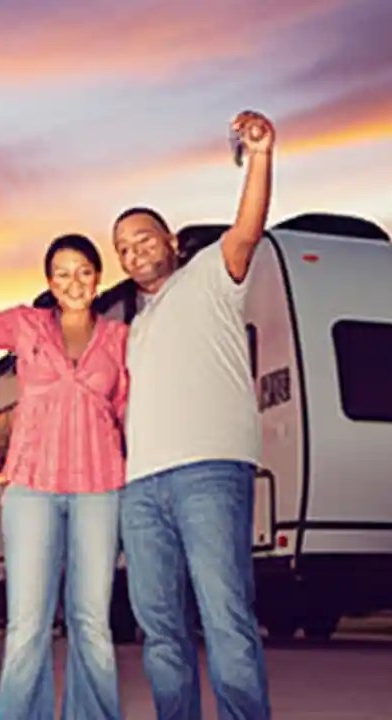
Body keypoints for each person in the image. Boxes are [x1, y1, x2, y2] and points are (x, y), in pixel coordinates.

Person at [112, 110, 276, 719]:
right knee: (159, 634)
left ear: (172, 243)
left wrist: (259, 155)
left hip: (209, 472)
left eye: (143, 238)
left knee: (225, 617)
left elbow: (248, 227)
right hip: (141, 488)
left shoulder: (212, 274)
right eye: (123, 249)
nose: (134, 252)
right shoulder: (132, 329)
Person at [0, 234, 129, 720]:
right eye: (62, 273)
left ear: (97, 278)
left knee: (92, 623)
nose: (73, 281)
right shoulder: (27, 326)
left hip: (99, 489)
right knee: (27, 624)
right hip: (33, 487)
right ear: (49, 282)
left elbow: (125, 412)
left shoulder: (119, 339)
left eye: (83, 271)